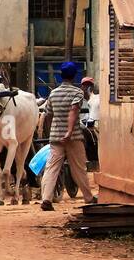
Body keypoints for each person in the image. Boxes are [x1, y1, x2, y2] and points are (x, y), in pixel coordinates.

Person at [39, 61, 99, 211]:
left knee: (51, 168)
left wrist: (53, 131)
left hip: (56, 137)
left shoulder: (53, 93)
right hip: (74, 137)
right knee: (79, 168)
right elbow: (74, 111)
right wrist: (69, 131)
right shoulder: (77, 92)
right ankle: (88, 197)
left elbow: (48, 115)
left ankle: (46, 199)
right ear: (74, 76)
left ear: (61, 75)